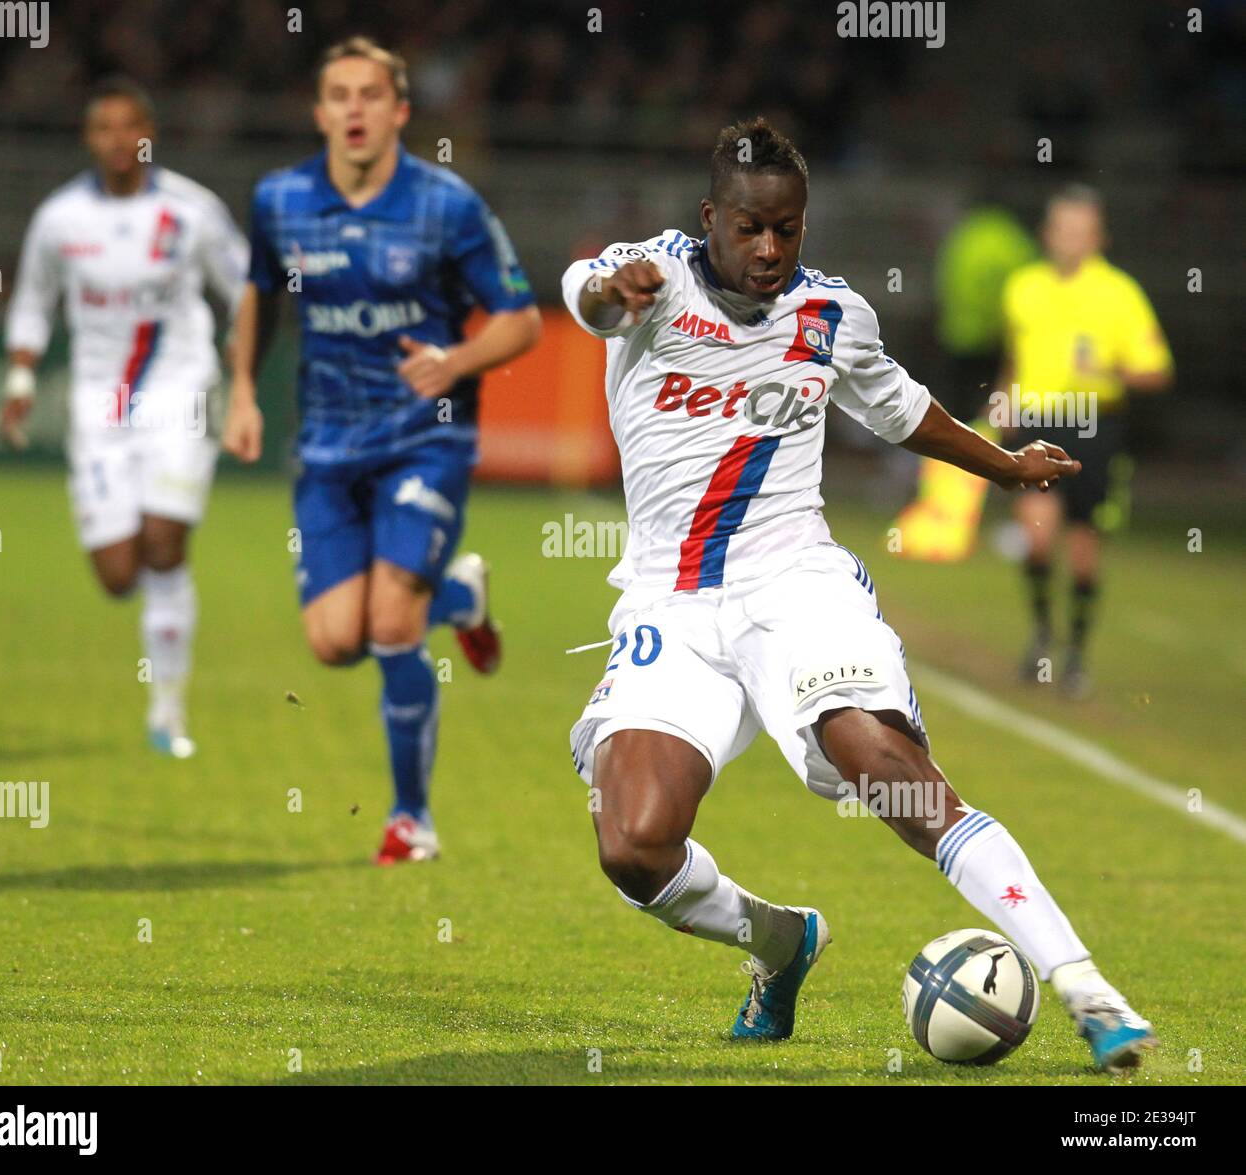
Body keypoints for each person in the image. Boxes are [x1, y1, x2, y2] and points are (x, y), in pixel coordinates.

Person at [561, 118, 1155, 1072]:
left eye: (787, 230)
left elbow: (901, 406)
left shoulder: (830, 313)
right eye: (750, 227)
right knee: (633, 846)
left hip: (796, 584)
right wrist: (607, 292)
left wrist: (1002, 466)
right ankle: (781, 942)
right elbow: (587, 291)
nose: (768, 250)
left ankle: (1087, 987)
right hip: (670, 604)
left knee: (874, 756)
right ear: (711, 216)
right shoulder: (653, 277)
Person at [222, 37, 541, 864]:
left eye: (372, 95)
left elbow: (521, 317)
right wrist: (245, 393)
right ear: (319, 110)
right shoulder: (281, 200)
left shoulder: (446, 206)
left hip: (422, 440)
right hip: (328, 447)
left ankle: (412, 819)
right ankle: (460, 598)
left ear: (400, 110)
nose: (355, 110)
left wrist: (455, 361)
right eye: (340, 95)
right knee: (334, 642)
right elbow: (256, 293)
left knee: (392, 625)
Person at [3, 76, 248, 758]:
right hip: (99, 404)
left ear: (150, 133)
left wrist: (244, 358)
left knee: (165, 542)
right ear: (89, 138)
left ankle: (168, 709)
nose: (117, 139)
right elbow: (30, 302)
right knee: (118, 575)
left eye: (128, 125)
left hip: (182, 391)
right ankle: (159, 614)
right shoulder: (59, 219)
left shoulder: (191, 211)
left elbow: (247, 284)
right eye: (103, 127)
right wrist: (22, 373)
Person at [1002, 185, 1173, 697]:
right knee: (1035, 538)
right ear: (1047, 234)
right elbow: (1015, 353)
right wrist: (1004, 401)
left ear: (1099, 238)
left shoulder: (1120, 292)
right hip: (1037, 422)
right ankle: (1040, 633)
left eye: (1081, 230)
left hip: (1094, 426)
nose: (1069, 239)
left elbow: (1156, 370)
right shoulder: (1023, 286)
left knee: (1081, 550)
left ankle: (1074, 653)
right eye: (1061, 228)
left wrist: (1110, 367)